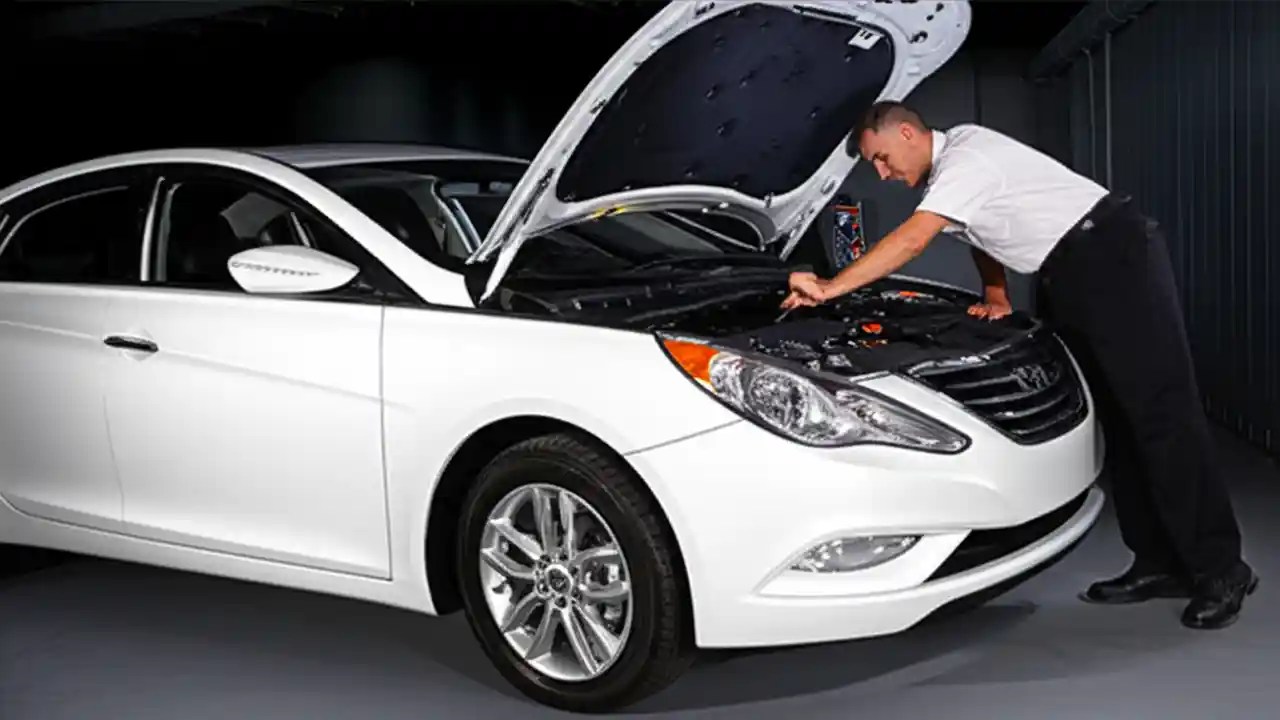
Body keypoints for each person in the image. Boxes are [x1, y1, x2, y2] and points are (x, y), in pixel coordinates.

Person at [783, 100, 1256, 629]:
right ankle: (1159, 563)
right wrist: (995, 291)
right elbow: (979, 231)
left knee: (1163, 416)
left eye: (883, 158)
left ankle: (1221, 570)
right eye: (874, 165)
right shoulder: (951, 167)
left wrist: (830, 288)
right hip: (1068, 270)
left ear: (910, 133)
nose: (883, 173)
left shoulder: (967, 161)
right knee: (1119, 419)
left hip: (1113, 256)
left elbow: (915, 240)